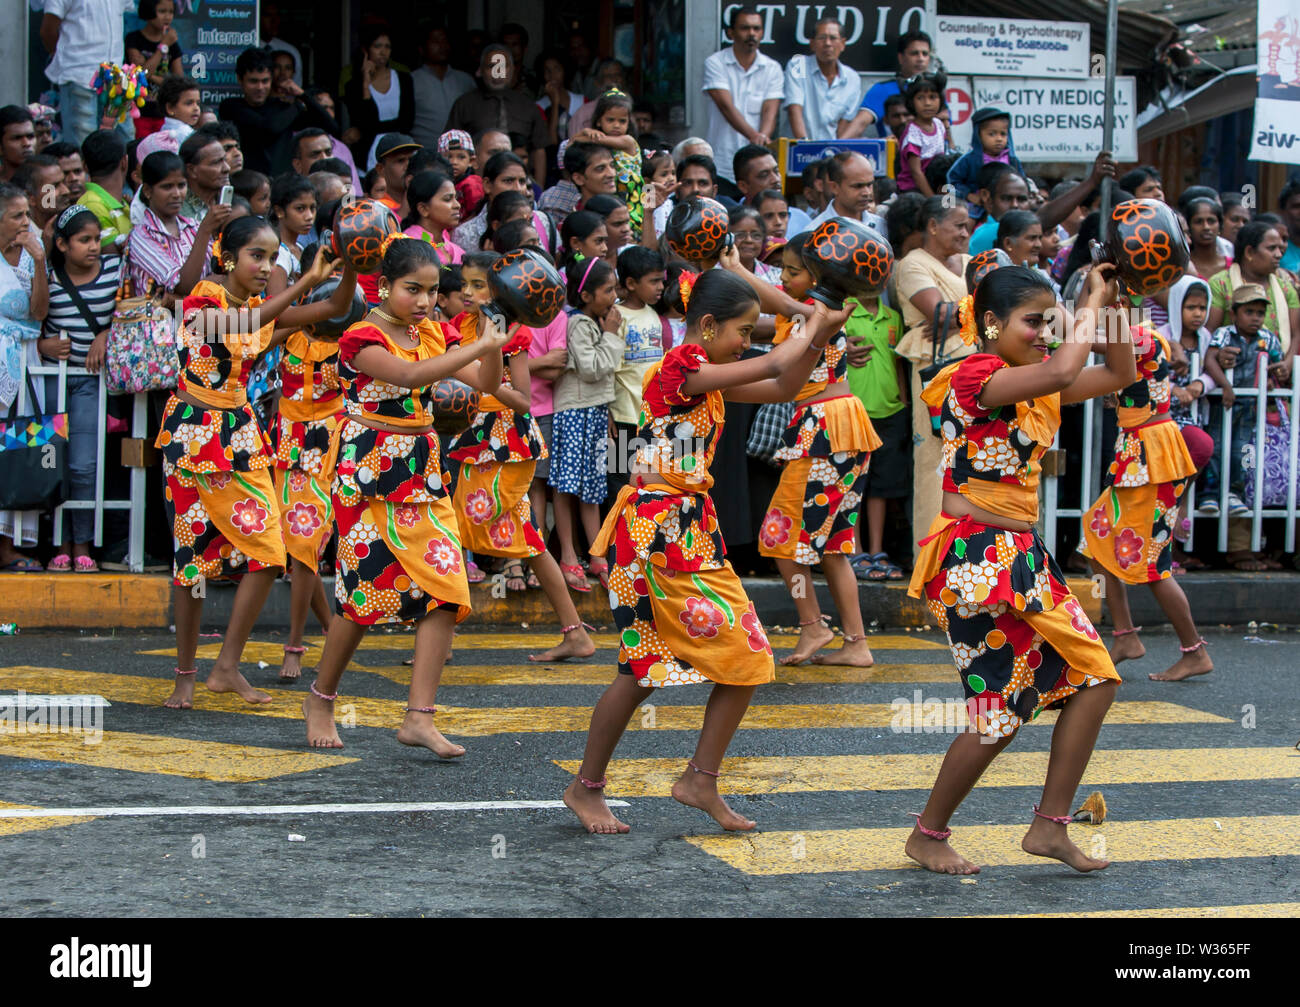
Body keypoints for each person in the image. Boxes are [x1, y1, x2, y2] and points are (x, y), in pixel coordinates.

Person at [563, 269, 849, 834]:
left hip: (682, 531)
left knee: (699, 663)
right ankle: (601, 785)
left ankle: (686, 780)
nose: (750, 340)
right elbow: (771, 364)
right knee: (666, 666)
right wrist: (811, 319)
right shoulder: (680, 369)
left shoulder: (707, 379)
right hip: (657, 535)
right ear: (710, 325)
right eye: (743, 330)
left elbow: (785, 387)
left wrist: (815, 336)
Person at [905, 264, 1135, 875]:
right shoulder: (972, 376)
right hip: (979, 558)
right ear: (989, 323)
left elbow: (1118, 374)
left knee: (1061, 691)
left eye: (1048, 323)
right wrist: (1088, 298)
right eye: (1034, 322)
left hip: (1017, 558)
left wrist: (1112, 306)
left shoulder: (1026, 381)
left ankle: (1043, 827)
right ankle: (943, 833)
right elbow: (1063, 368)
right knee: (1008, 709)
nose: (1044, 334)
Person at [158, 216, 358, 710]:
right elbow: (242, 325)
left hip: (240, 438)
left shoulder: (258, 308)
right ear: (228, 257)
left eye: (273, 259)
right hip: (193, 435)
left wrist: (354, 262)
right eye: (257, 257)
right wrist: (305, 282)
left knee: (269, 553)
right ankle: (186, 674)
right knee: (192, 563)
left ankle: (225, 666)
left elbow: (335, 305)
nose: (267, 267)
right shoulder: (202, 299)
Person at [723, 238, 880, 665]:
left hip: (823, 430)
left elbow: (773, 300)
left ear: (819, 277)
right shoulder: (811, 315)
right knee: (831, 547)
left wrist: (737, 269)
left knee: (778, 539)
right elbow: (768, 311)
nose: (785, 279)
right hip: (840, 428)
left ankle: (813, 625)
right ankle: (856, 644)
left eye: (793, 271)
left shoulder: (818, 311)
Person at [447, 251, 596, 661]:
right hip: (473, 441)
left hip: (505, 442)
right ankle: (574, 633)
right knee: (516, 537)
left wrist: (478, 380)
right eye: (465, 284)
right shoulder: (460, 326)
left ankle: (440, 640)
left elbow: (524, 400)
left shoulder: (513, 334)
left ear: (501, 292)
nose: (468, 292)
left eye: (478, 285)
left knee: (457, 529)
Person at [1078, 314, 1210, 679]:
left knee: (1153, 564)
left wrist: (1060, 329)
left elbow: (1095, 341)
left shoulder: (1143, 337)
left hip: (1152, 460)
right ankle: (1125, 637)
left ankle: (1194, 652)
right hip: (1139, 457)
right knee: (1093, 542)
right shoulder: (1140, 336)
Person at [38, 206, 120, 573]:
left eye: (97, 239)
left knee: (84, 465)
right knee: (50, 462)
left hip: (90, 384)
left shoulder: (115, 272)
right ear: (61, 244)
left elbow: (133, 313)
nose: (93, 247)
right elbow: (30, 323)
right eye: (84, 240)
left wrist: (107, 332)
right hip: (48, 383)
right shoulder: (48, 278)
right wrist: (43, 346)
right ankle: (58, 544)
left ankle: (83, 542)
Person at [893, 198, 973, 550]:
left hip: (977, 375)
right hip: (937, 378)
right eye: (958, 225)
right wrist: (980, 311)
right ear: (933, 226)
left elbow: (954, 314)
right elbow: (939, 314)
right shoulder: (912, 264)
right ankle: (932, 558)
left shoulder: (971, 263)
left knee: (974, 460)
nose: (966, 232)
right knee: (935, 462)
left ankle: (971, 552)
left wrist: (959, 315)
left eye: (967, 225)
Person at [550, 257, 624, 591]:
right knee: (568, 487)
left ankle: (596, 555)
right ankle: (569, 554)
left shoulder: (594, 321)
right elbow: (592, 369)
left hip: (593, 411)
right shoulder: (579, 323)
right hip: (575, 412)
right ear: (586, 296)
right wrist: (611, 335)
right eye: (608, 290)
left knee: (592, 488)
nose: (614, 295)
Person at [1202, 285, 1289, 567]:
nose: (1255, 318)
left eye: (1260, 313)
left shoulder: (1268, 338)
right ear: (1234, 313)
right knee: (1215, 447)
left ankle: (1234, 492)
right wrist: (1226, 385)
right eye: (1249, 312)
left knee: (1242, 451)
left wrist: (1280, 371)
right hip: (1224, 404)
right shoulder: (1225, 334)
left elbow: (1279, 366)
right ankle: (1211, 492)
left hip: (1251, 408)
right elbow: (1209, 360)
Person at [843, 275, 907, 582]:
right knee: (854, 484)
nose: (872, 280)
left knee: (881, 486)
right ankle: (854, 551)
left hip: (890, 411)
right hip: (854, 409)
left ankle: (877, 551)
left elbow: (898, 364)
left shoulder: (893, 317)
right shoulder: (842, 313)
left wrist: (904, 402)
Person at [0, 183, 49, 570]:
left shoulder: (34, 251)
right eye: (17, 215)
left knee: (17, 446)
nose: (26, 222)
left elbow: (38, 312)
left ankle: (9, 545)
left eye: (27, 214)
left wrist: (37, 262)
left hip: (24, 357)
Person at [128, 150, 226, 303]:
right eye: (167, 187)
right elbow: (184, 286)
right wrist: (205, 230)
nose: (177, 194)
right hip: (162, 324)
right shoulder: (141, 236)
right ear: (147, 191)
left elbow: (223, 275)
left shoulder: (192, 226)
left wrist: (180, 299)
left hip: (199, 318)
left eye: (181, 185)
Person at [218, 48, 335, 176]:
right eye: (253, 81)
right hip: (248, 186)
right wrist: (298, 105)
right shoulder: (231, 107)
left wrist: (303, 95)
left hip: (283, 186)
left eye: (265, 81)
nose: (260, 87)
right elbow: (269, 128)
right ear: (240, 79)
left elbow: (330, 126)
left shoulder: (283, 109)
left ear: (272, 80)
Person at [701, 6, 783, 185]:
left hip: (757, 166)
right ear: (730, 33)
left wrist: (762, 138)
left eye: (756, 29)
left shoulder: (772, 68)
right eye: (745, 28)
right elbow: (726, 107)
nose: (752, 34)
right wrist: (755, 137)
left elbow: (771, 111)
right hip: (722, 159)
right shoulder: (715, 63)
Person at [446, 46, 549, 186]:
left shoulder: (527, 105)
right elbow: (449, 147)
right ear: (480, 70)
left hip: (520, 183)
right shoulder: (465, 104)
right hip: (476, 184)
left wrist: (540, 188)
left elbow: (539, 150)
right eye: (492, 66)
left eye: (503, 66)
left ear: (512, 70)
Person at [39, 0, 132, 146]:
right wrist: (65, 58)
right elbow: (48, 31)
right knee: (82, 144)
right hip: (79, 76)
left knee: (123, 142)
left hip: (114, 79)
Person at [611, 245, 665, 489]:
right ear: (631, 283)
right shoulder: (616, 316)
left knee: (645, 479)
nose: (660, 287)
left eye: (661, 281)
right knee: (622, 479)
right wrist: (609, 411)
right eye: (654, 281)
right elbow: (609, 369)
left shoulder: (653, 314)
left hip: (650, 415)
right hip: (623, 415)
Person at [1206, 220, 1298, 353]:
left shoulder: (1285, 287)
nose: (1279, 254)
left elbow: (1296, 335)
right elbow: (1210, 332)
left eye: (1279, 248)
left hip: (1278, 367)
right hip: (1232, 366)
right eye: (1271, 248)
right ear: (1249, 252)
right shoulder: (1220, 283)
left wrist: (1287, 364)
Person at [571, 90, 644, 237]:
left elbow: (581, 140)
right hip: (612, 203)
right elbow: (570, 144)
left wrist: (585, 133)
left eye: (622, 121)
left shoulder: (628, 141)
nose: (616, 125)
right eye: (610, 120)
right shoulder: (600, 149)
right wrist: (585, 133)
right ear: (599, 121)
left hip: (632, 201)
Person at [343, 26, 416, 170]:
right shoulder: (353, 86)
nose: (383, 52)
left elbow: (407, 121)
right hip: (367, 154)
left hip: (400, 147)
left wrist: (369, 129)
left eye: (387, 47)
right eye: (377, 46)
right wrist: (365, 83)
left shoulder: (404, 79)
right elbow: (363, 121)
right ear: (366, 50)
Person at [783, 17, 864, 141]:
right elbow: (794, 111)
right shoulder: (798, 64)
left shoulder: (852, 78)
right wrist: (805, 147)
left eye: (833, 38)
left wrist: (834, 152)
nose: (827, 43)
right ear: (812, 43)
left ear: (843, 44)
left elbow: (844, 126)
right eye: (822, 38)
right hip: (798, 149)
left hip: (830, 154)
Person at [848, 30, 933, 139]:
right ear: (901, 57)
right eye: (914, 53)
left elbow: (946, 130)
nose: (920, 59)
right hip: (895, 154)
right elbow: (858, 126)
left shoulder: (935, 91)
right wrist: (834, 150)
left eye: (925, 54)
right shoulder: (883, 89)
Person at [946, 106, 1024, 217]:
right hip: (977, 207)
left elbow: (1023, 181)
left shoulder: (1012, 161)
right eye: (992, 134)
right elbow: (952, 181)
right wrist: (968, 195)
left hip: (1008, 207)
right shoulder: (969, 160)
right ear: (978, 135)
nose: (999, 139)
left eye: (1003, 134)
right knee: (967, 222)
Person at [410, 26, 475, 150]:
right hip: (423, 155)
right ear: (421, 49)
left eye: (444, 41)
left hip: (459, 156)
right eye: (435, 41)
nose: (442, 46)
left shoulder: (465, 80)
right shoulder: (412, 81)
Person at [77, 131, 131, 251]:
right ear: (124, 162)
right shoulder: (93, 205)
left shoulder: (124, 203)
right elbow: (112, 258)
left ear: (84, 166)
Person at [808, 151, 884, 233]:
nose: (867, 192)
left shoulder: (882, 227)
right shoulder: (814, 232)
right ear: (834, 187)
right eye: (858, 186)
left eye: (869, 185)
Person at [896, 73, 947, 196]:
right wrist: (932, 198)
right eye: (920, 98)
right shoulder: (913, 134)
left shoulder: (938, 124)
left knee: (949, 175)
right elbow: (916, 172)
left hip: (934, 181)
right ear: (912, 102)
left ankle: (949, 208)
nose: (927, 103)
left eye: (932, 97)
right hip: (914, 187)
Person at [401, 169, 464, 265]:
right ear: (423, 209)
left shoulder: (454, 250)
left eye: (456, 198)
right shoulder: (408, 247)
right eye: (447, 199)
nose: (457, 205)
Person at [1184, 195, 1230, 279]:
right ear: (1189, 227)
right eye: (1198, 222)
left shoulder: (1234, 267)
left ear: (1220, 225)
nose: (1206, 227)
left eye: (1211, 221)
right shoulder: (1184, 267)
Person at [259, 2, 303, 87]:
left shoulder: (290, 50)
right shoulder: (247, 46)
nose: (274, 21)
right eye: (268, 16)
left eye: (277, 16)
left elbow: (296, 85)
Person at [156, 75, 200, 145]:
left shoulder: (164, 128)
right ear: (170, 108)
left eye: (198, 103)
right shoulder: (187, 134)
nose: (196, 108)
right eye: (189, 103)